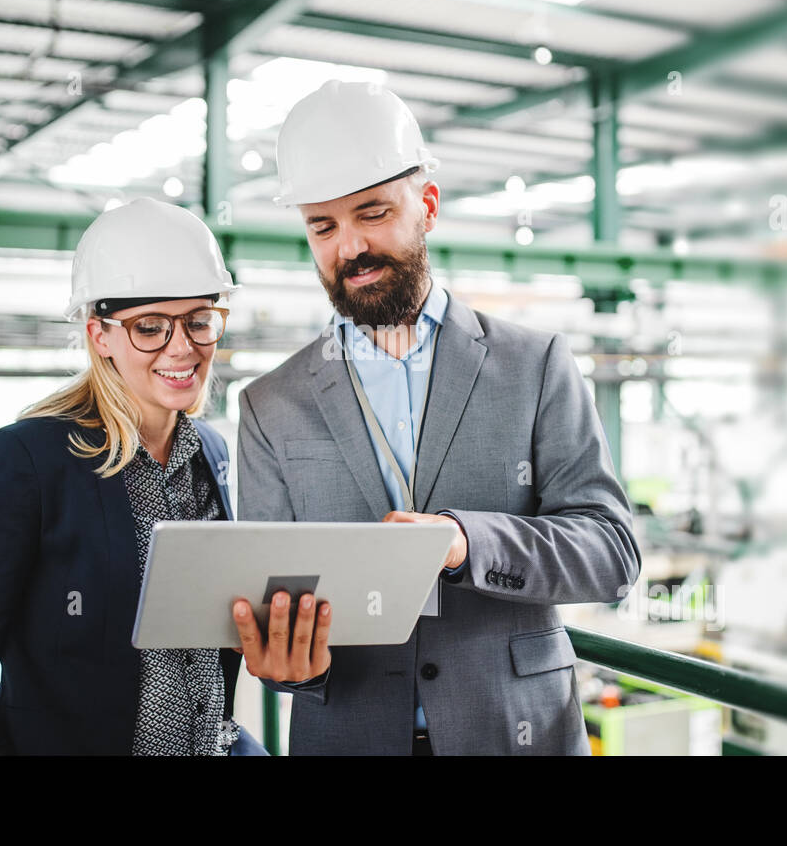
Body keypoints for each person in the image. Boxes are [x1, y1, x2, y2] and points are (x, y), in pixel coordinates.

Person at [231, 81, 641, 756]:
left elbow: (612, 553)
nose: (350, 246)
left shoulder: (534, 365)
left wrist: (466, 541)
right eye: (323, 226)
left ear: (426, 206)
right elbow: (274, 610)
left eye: (373, 212)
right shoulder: (270, 406)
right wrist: (287, 664)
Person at [0, 198, 267, 755]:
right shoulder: (26, 461)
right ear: (100, 335)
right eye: (150, 327)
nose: (183, 348)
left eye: (199, 321)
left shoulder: (210, 455)